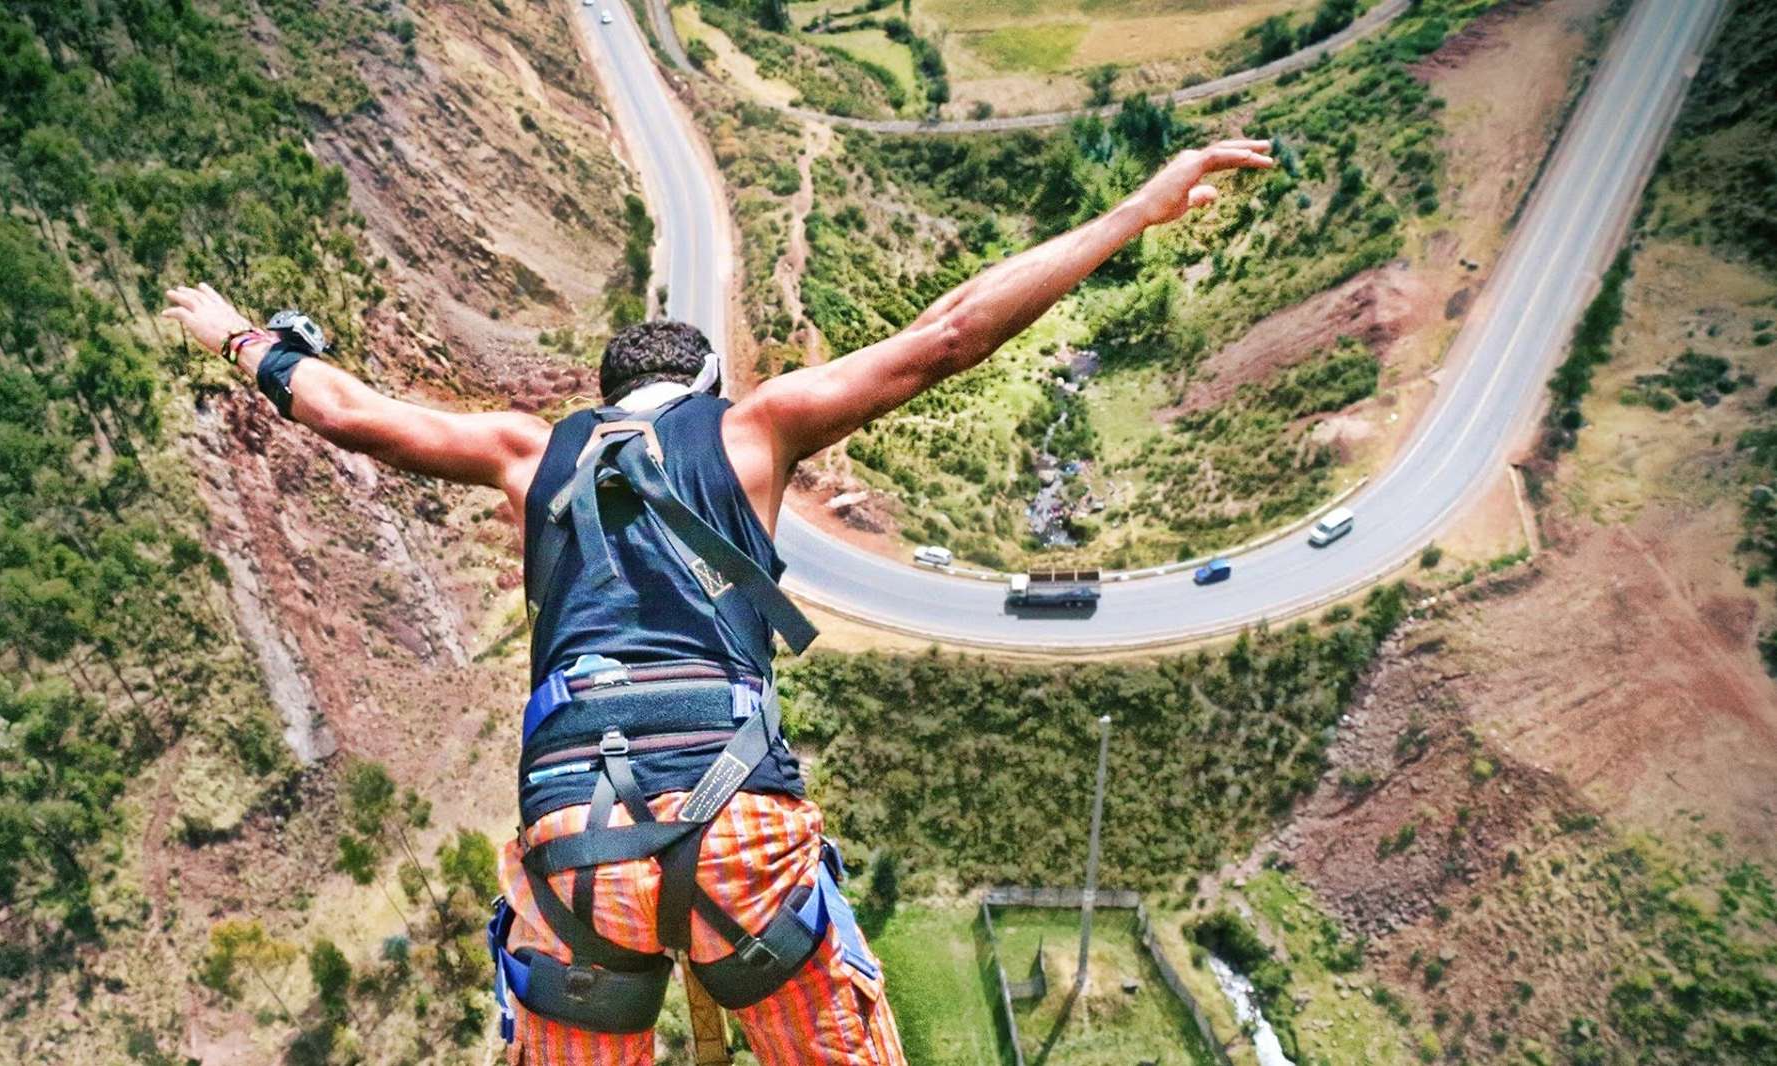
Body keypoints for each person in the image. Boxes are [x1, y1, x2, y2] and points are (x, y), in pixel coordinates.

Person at [163, 138, 1273, 1065]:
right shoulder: (750, 429)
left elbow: (351, 412)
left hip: (573, 831)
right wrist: (1140, 205)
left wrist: (237, 335)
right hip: (734, 808)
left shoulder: (520, 451)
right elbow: (951, 334)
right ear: (703, 388)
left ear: (603, 400)